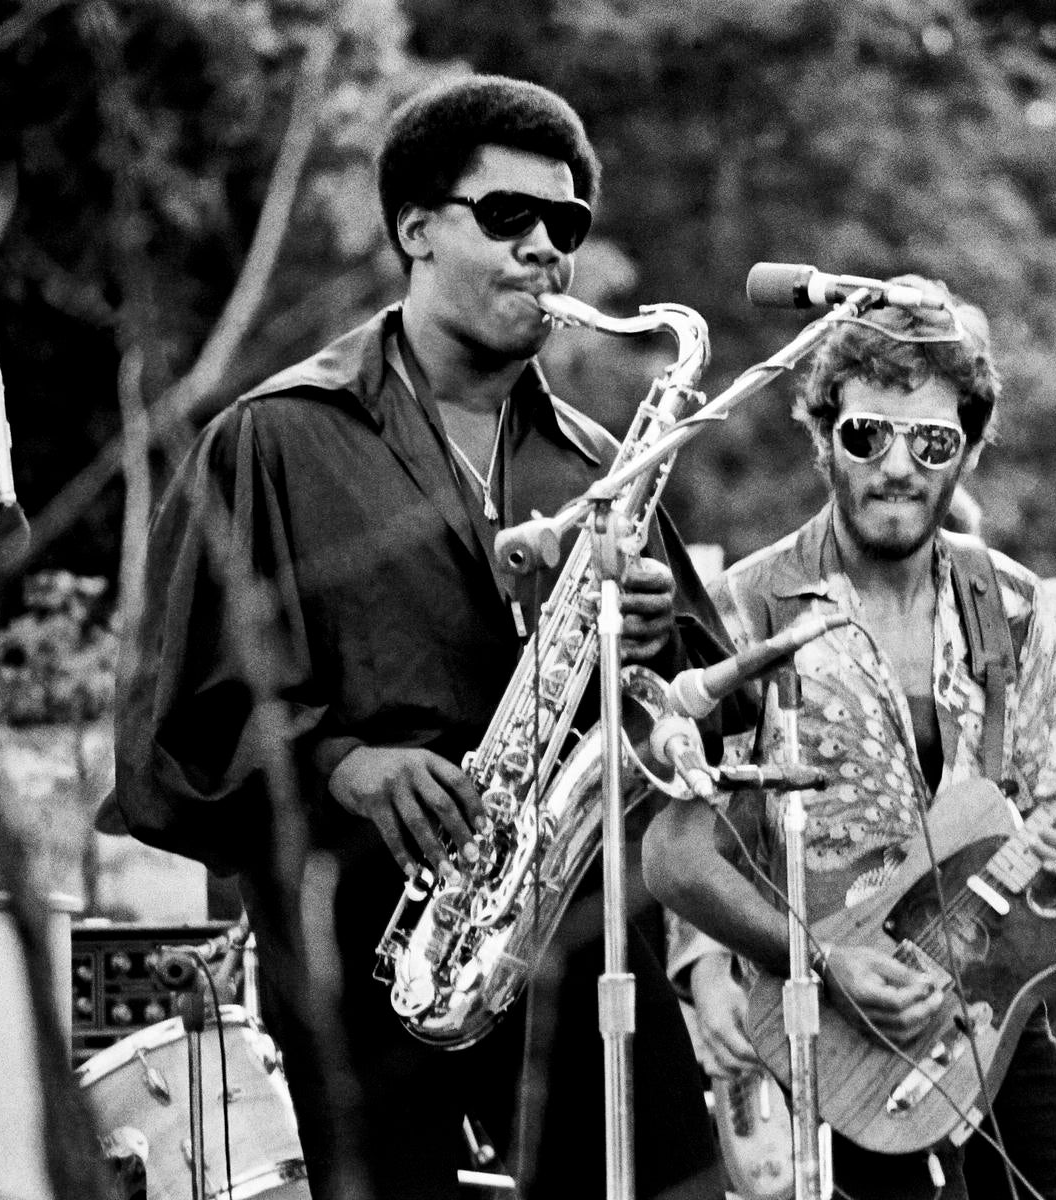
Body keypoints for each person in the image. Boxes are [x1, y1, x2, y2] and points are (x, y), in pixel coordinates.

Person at [109, 74, 738, 1200]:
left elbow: (704, 716)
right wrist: (342, 764)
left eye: (568, 226)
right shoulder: (270, 440)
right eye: (507, 216)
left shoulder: (607, 465)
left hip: (571, 924)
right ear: (415, 229)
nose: (546, 247)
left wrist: (646, 647)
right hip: (357, 937)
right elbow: (176, 729)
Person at [644, 284, 1056, 1199]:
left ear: (972, 450)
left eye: (934, 442)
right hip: (823, 1036)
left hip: (987, 1020)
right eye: (868, 434)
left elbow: (1029, 829)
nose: (899, 467)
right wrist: (821, 966)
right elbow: (673, 857)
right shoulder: (747, 610)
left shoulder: (1013, 604)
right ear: (821, 433)